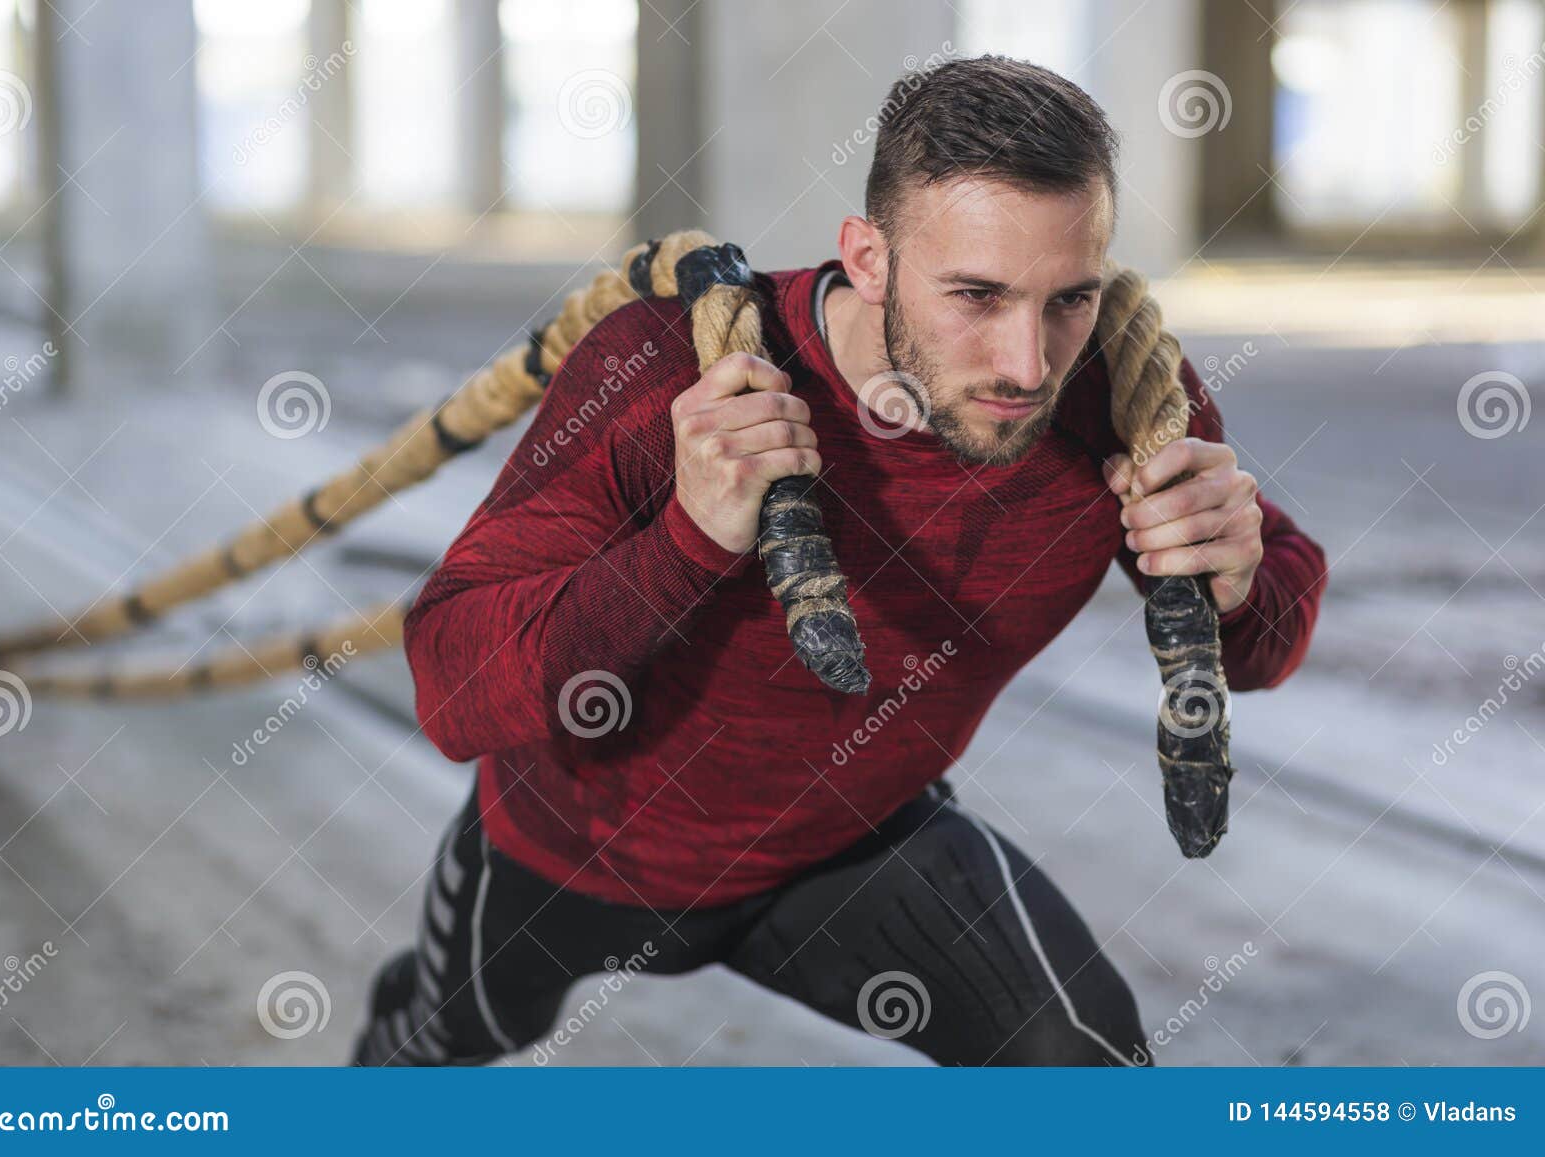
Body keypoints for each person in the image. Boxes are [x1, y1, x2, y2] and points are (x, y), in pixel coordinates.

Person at [352, 54, 1327, 1068]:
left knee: (1079, 1061)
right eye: (976, 296)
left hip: (846, 844)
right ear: (867, 257)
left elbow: (1255, 649)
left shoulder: (1115, 389)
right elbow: (449, 684)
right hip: (577, 853)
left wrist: (1241, 575)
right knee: (425, 1060)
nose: (1026, 363)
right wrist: (686, 539)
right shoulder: (663, 367)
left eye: (1066, 299)